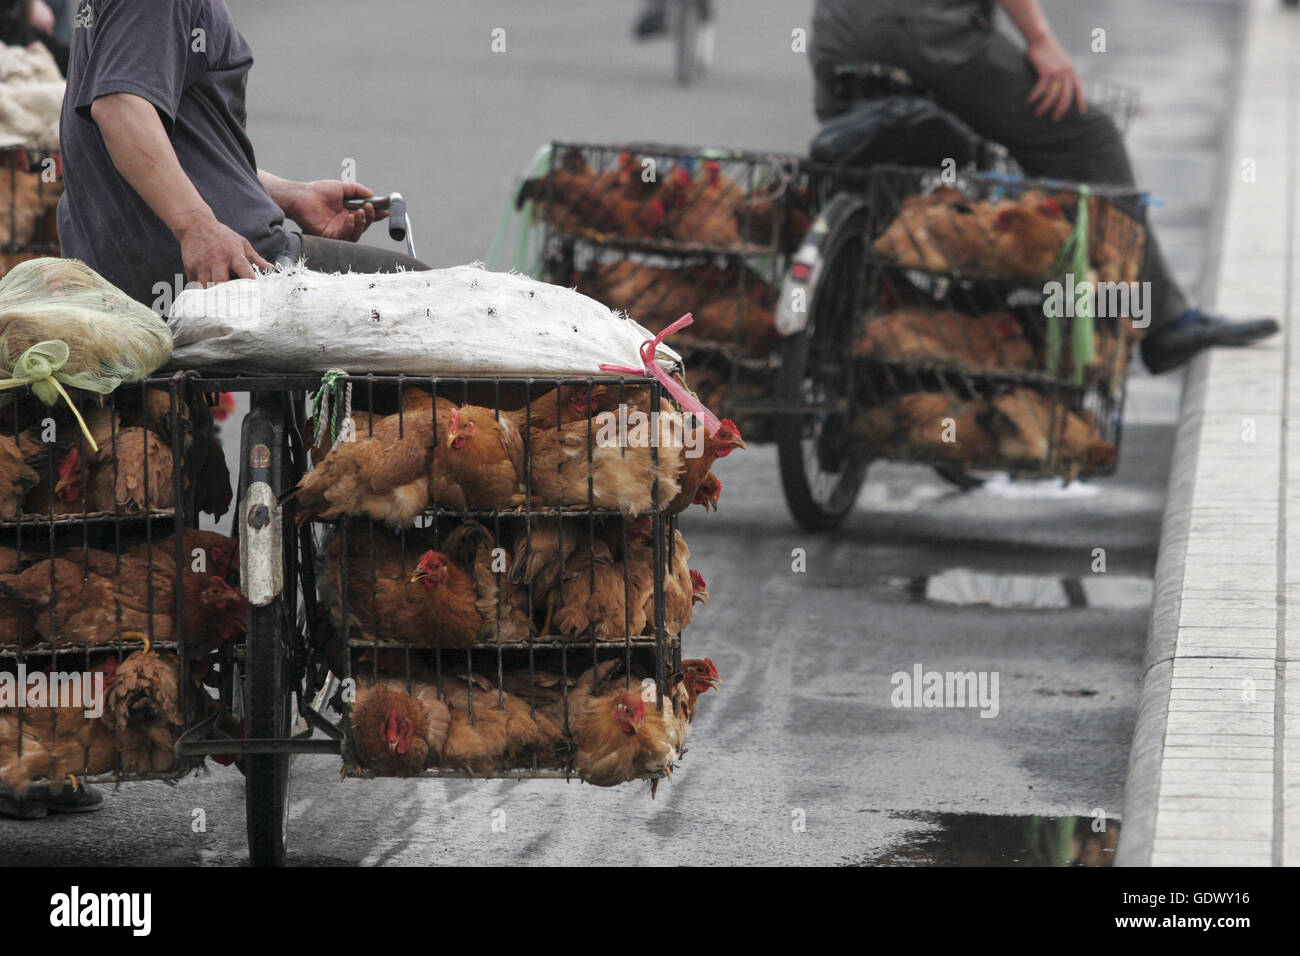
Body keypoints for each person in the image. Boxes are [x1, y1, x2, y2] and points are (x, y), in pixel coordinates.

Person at [810, 0, 1278, 374]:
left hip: (839, 39)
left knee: (870, 160)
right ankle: (1162, 323)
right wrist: (1041, 40)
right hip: (929, 33)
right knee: (1085, 137)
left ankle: (832, 343)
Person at [56, 0, 428, 310]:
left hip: (127, 259)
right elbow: (120, 109)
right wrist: (197, 227)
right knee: (424, 297)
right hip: (197, 265)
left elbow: (177, 145)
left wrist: (291, 195)